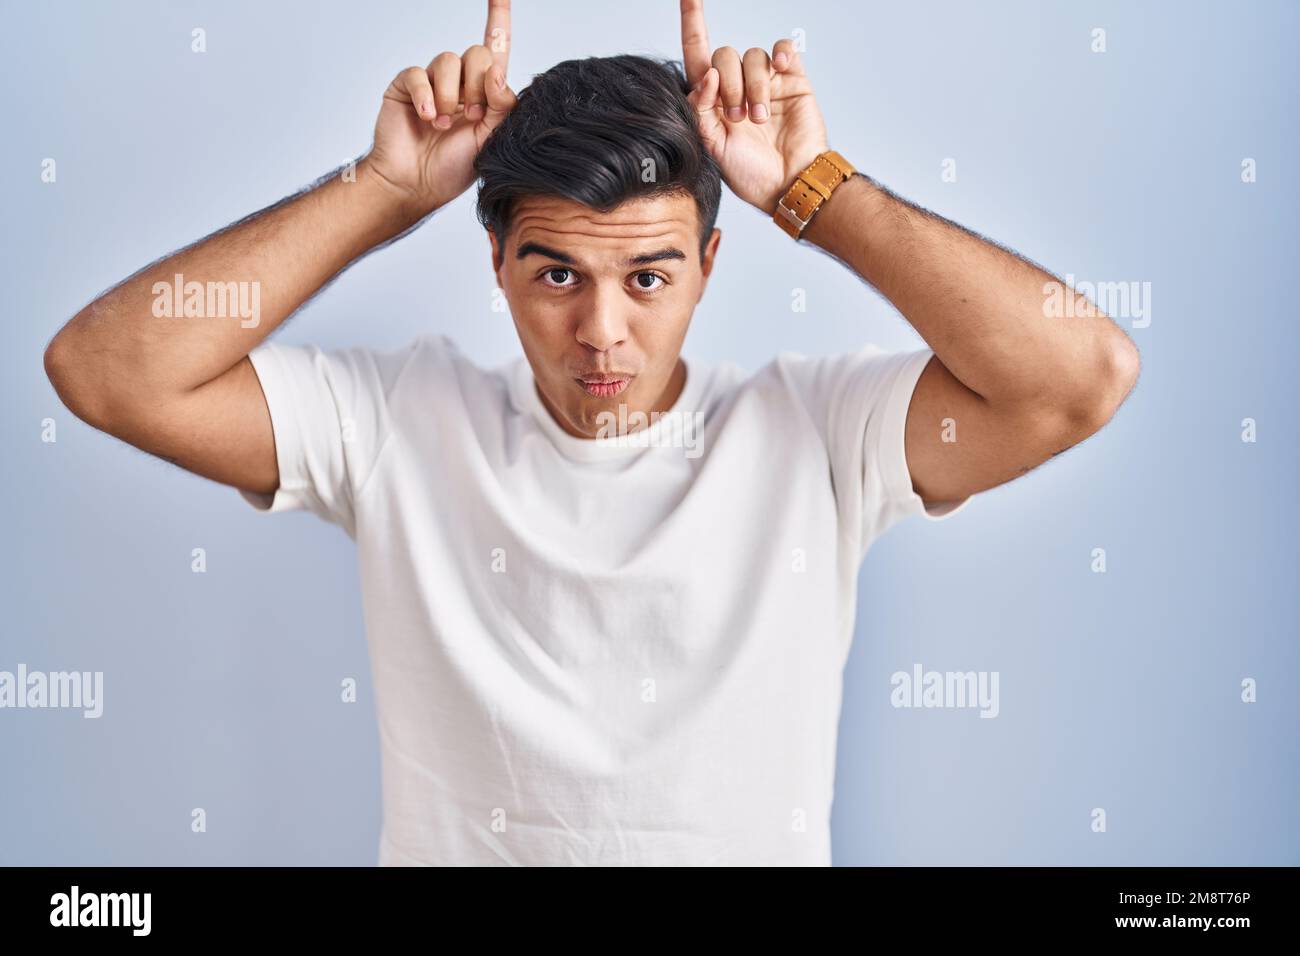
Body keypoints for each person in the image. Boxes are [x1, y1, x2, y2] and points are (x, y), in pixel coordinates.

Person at [43, 0, 1139, 865]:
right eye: (555, 271)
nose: (599, 331)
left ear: (710, 265)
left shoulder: (817, 432)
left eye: (648, 275)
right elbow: (107, 371)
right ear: (496, 263)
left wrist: (815, 188)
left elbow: (1077, 378)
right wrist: (383, 189)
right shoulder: (396, 423)